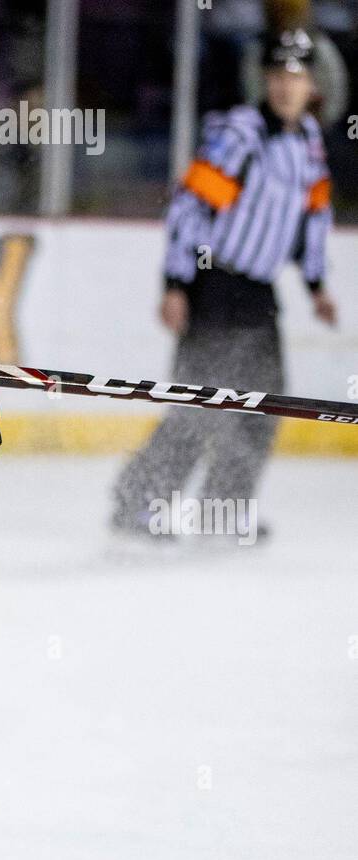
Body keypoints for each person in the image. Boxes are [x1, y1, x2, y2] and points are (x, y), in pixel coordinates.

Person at [111, 27, 337, 542]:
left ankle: (221, 509)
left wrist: (317, 284)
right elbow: (190, 207)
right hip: (214, 286)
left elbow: (312, 218)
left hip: (258, 294)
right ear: (264, 80)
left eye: (296, 77)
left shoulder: (308, 143)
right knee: (199, 401)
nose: (285, 87)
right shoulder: (240, 133)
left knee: (266, 405)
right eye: (277, 75)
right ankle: (136, 501)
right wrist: (175, 283)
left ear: (311, 87)